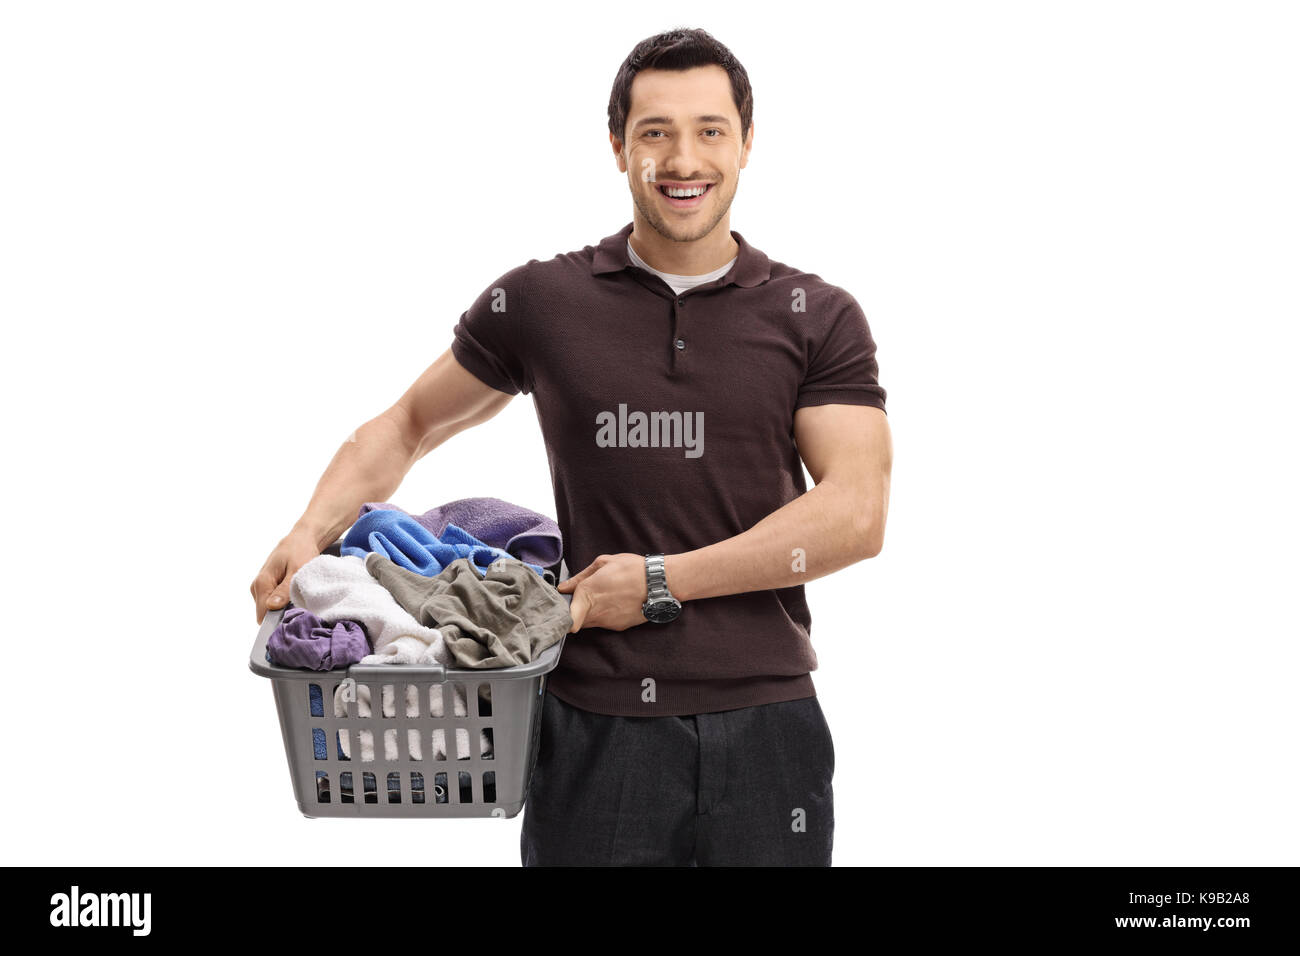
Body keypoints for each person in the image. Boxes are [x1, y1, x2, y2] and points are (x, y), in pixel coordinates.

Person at [250, 27, 892, 866]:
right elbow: (407, 424)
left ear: (746, 144)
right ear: (619, 146)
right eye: (655, 131)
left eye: (710, 130)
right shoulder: (544, 302)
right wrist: (308, 533)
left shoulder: (817, 315)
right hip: (593, 731)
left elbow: (856, 513)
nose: (683, 158)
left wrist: (659, 582)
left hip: (769, 727)